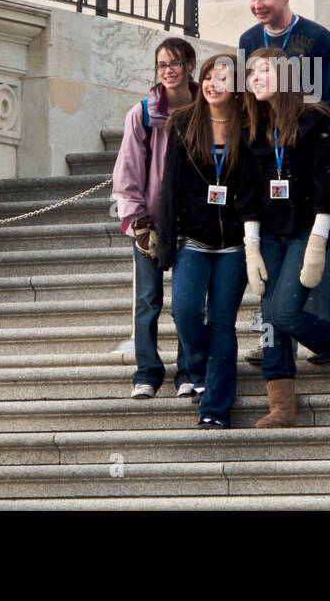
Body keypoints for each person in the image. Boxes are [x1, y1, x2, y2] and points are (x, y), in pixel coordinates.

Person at [242, 47, 330, 428]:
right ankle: (281, 407)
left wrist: (319, 241)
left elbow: (328, 184)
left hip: (305, 231)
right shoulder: (252, 126)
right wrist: (251, 244)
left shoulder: (314, 118)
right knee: (270, 319)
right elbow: (248, 192)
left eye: (264, 71)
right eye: (251, 73)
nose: (256, 79)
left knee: (285, 312)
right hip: (268, 233)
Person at [239, 0, 330, 354]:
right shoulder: (249, 38)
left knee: (317, 262)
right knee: (272, 272)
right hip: (268, 157)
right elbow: (245, 100)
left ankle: (324, 336)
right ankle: (275, 337)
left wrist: (306, 141)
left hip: (306, 154)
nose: (258, 5)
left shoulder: (317, 37)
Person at [156, 55, 257, 428]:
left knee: (222, 324)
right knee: (184, 311)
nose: (214, 84)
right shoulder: (183, 123)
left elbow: (255, 188)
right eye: (209, 77)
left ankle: (215, 407)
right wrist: (165, 243)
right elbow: (169, 188)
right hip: (192, 239)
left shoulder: (250, 127)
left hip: (234, 242)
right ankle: (200, 367)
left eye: (223, 79)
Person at [111, 37, 200, 399]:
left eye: (175, 64)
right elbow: (127, 172)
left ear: (190, 65)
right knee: (147, 301)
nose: (168, 71)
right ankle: (146, 372)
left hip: (193, 223)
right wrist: (138, 222)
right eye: (162, 65)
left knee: (187, 302)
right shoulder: (143, 114)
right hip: (150, 223)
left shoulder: (208, 108)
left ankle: (190, 371)